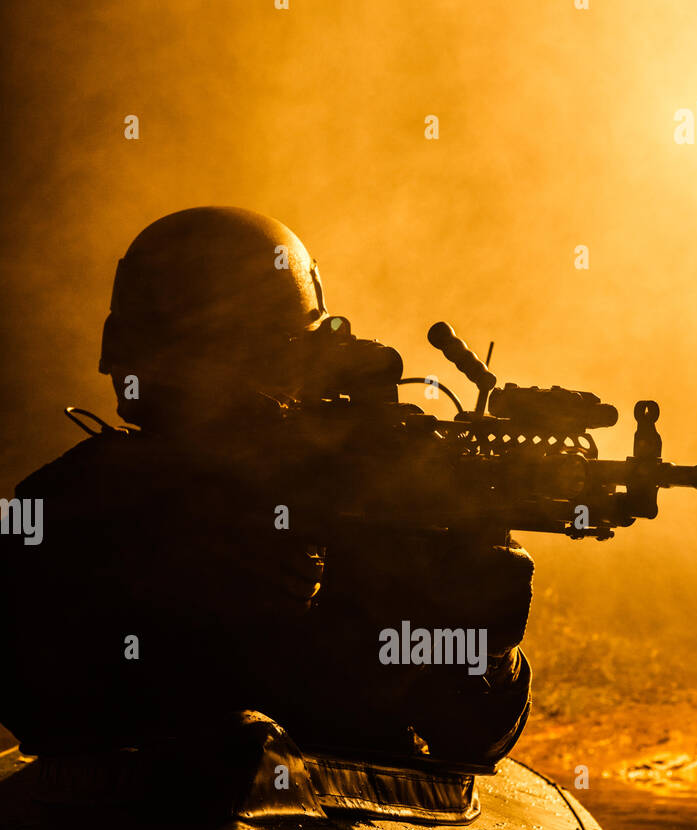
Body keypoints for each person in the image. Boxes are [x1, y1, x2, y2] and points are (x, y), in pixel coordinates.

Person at [1, 206, 533, 766]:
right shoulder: (78, 504)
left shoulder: (362, 495)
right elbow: (43, 705)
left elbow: (464, 737)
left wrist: (487, 650)